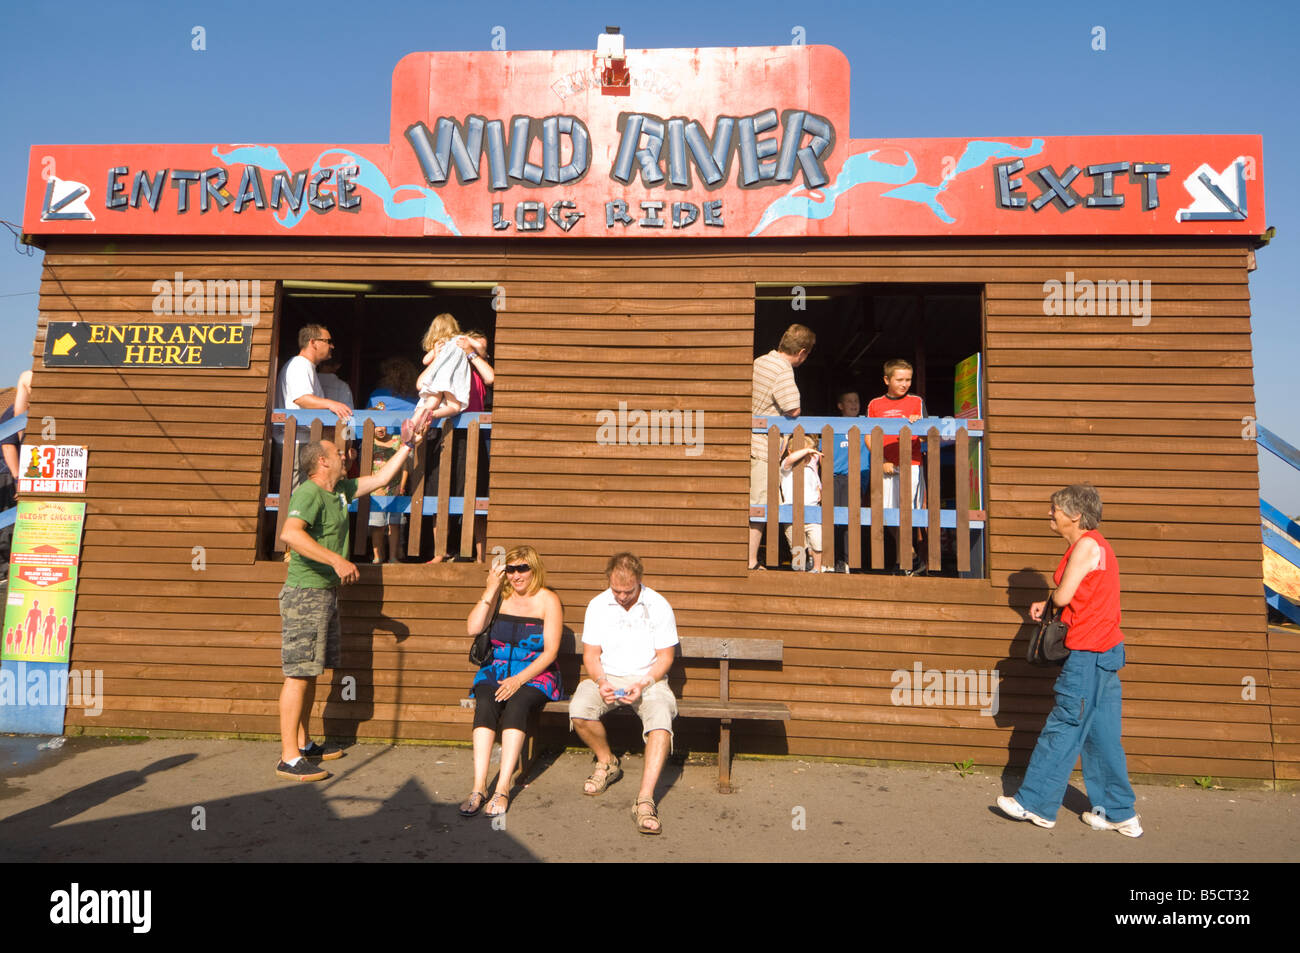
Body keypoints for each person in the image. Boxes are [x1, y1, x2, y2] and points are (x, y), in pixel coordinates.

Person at [996, 484, 1143, 837]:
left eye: (1055, 509)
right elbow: (1076, 596)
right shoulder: (1098, 545)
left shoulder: (1086, 545)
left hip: (1088, 653)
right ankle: (1119, 813)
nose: (1051, 514)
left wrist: (1052, 601)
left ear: (1075, 515)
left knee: (1064, 725)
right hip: (1106, 651)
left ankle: (1035, 805)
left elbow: (1064, 594)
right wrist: (1048, 605)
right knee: (1101, 733)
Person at [275, 434, 415, 781]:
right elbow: (290, 534)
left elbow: (383, 479)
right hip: (305, 594)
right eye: (338, 453)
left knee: (311, 672)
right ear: (322, 462)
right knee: (297, 675)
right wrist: (336, 560)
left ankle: (304, 744)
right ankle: (288, 757)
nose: (345, 455)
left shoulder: (339, 491)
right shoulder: (309, 493)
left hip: (324, 594)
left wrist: (409, 445)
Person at [569, 552, 679, 834]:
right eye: (616, 590)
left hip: (649, 678)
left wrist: (643, 682)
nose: (620, 596)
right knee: (579, 709)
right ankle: (607, 763)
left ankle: (644, 799)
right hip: (609, 675)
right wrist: (601, 680)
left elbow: (666, 657)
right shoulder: (597, 604)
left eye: (627, 591)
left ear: (639, 581)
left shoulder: (658, 604)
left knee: (660, 721)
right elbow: (591, 655)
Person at [459, 545, 563, 818]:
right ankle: (478, 786)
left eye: (522, 569)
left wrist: (519, 679)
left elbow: (551, 651)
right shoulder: (500, 596)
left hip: (535, 673)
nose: (516, 575)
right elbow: (472, 628)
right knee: (485, 700)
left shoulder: (547, 600)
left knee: (517, 703)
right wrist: (490, 589)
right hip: (496, 669)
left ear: (534, 570)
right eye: (510, 569)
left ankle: (502, 787)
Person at [750, 324, 815, 569]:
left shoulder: (760, 361)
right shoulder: (782, 369)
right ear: (801, 352)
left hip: (750, 445)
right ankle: (750, 561)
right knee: (759, 506)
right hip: (762, 447)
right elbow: (793, 408)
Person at [273, 325, 353, 491]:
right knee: (295, 495)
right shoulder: (300, 365)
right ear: (313, 342)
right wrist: (332, 404)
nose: (332, 346)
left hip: (300, 441)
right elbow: (302, 398)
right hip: (295, 442)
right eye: (327, 341)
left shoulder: (307, 367)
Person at [867, 359, 927, 572]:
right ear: (886, 380)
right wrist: (882, 460)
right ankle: (909, 554)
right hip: (886, 464)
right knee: (886, 513)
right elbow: (868, 436)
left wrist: (919, 423)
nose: (905, 384)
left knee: (906, 512)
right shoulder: (875, 404)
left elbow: (926, 436)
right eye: (899, 379)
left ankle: (905, 562)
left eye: (908, 379)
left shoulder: (916, 401)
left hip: (910, 463)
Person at [403, 313, 488, 441]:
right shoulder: (461, 339)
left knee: (430, 403)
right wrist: (471, 346)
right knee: (454, 407)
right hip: (450, 380)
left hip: (436, 379)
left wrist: (436, 355)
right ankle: (432, 414)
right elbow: (480, 346)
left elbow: (425, 361)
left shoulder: (439, 344)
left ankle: (413, 422)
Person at [831, 387, 870, 572]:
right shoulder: (832, 427)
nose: (854, 404)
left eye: (857, 401)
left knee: (851, 520)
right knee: (833, 520)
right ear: (840, 406)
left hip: (856, 478)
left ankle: (850, 561)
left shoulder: (866, 424)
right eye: (849, 401)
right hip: (834, 478)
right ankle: (835, 560)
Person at [780, 433, 826, 572]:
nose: (807, 457)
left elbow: (817, 483)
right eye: (804, 454)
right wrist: (806, 450)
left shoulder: (811, 469)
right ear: (790, 452)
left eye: (809, 455)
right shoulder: (787, 467)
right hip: (791, 511)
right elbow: (791, 459)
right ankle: (799, 568)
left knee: (817, 541)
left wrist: (819, 490)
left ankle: (817, 567)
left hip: (812, 510)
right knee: (797, 544)